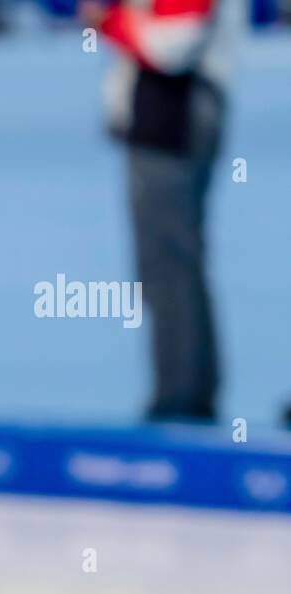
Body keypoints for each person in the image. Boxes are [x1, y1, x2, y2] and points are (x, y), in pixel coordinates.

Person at [80, 0, 246, 423]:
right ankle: (187, 396)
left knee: (168, 262)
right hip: (168, 108)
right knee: (171, 262)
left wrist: (109, 21)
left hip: (173, 108)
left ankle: (181, 403)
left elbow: (173, 43)